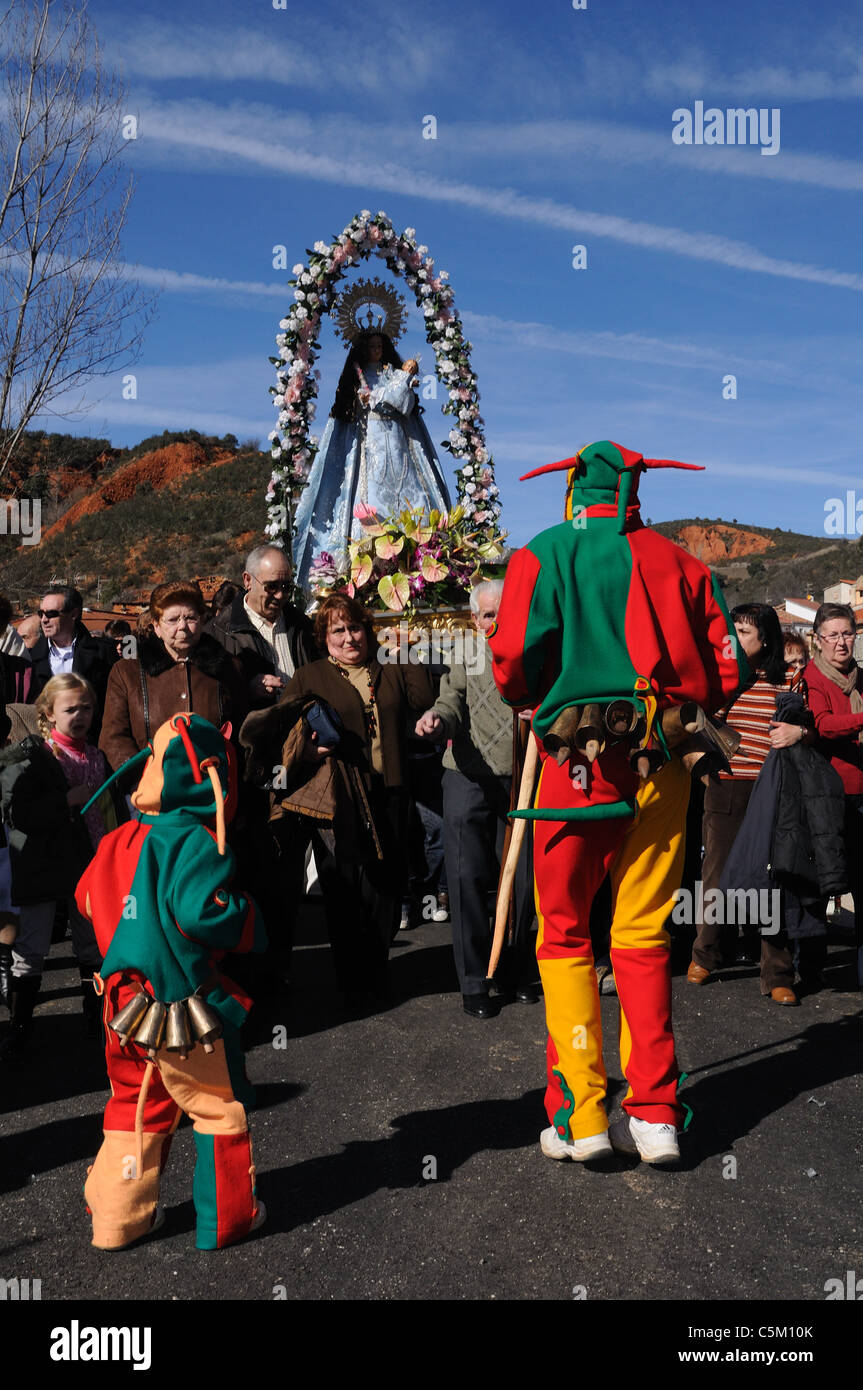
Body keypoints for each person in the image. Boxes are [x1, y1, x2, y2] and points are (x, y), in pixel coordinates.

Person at [489, 440, 746, 1167]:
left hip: (573, 766)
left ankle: (582, 1116)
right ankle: (655, 1114)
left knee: (565, 937)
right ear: (635, 491)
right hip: (659, 762)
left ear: (572, 488)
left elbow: (510, 656)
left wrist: (532, 698)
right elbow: (729, 658)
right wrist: (689, 703)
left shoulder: (541, 553)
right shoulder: (680, 562)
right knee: (640, 935)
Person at [77, 714, 267, 1250]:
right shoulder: (195, 841)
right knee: (216, 1108)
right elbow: (200, 915)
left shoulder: (117, 838)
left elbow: (87, 901)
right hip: (179, 1006)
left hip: (118, 1004)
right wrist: (247, 914)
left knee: (134, 1107)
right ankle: (227, 1219)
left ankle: (118, 1222)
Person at [240, 593, 432, 1010]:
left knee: (385, 884)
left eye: (355, 628)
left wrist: (405, 652)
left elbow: (421, 699)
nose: (349, 638)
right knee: (344, 885)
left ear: (368, 629)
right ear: (324, 637)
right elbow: (284, 733)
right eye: (338, 631)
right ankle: (350, 978)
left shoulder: (388, 668)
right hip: (338, 794)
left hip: (390, 789)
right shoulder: (310, 676)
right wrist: (305, 753)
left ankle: (375, 969)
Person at [415, 579, 538, 1018]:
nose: (496, 621)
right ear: (475, 619)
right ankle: (474, 981)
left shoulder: (537, 650)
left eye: (504, 613)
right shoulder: (464, 654)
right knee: (466, 877)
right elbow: (450, 701)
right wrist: (436, 720)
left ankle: (517, 969)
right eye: (488, 615)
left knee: (524, 879)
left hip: (523, 777)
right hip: (468, 776)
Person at [687, 604, 818, 1004]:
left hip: (775, 788)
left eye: (745, 632)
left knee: (773, 877)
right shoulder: (725, 675)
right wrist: (705, 769)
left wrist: (799, 731)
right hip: (727, 784)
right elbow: (698, 722)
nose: (738, 639)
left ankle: (777, 973)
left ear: (766, 636)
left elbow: (806, 727)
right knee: (717, 873)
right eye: (735, 630)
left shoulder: (792, 677)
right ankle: (705, 955)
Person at [207, 546, 318, 988]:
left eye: (285, 586)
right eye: (271, 586)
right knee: (251, 869)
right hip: (251, 769)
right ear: (247, 580)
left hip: (300, 761)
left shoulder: (302, 628)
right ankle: (247, 974)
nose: (278, 595)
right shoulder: (219, 633)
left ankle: (280, 969)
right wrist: (247, 686)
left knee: (289, 870)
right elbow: (215, 699)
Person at [0, 675, 112, 1060]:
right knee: (31, 948)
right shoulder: (34, 757)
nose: (79, 716)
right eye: (70, 709)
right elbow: (19, 814)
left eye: (86, 708)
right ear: (48, 714)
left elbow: (107, 812)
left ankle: (95, 1018)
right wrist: (65, 800)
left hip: (88, 864)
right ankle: (18, 1030)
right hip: (44, 865)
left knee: (91, 945)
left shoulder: (96, 756)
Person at [292, 330, 453, 592]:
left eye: (380, 345)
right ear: (362, 349)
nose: (376, 350)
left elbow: (403, 403)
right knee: (371, 499)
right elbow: (382, 400)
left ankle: (418, 562)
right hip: (372, 449)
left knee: (412, 500)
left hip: (400, 446)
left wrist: (401, 380)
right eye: (371, 346)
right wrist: (402, 379)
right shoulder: (359, 378)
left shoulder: (392, 372)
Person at [99, 581, 247, 774]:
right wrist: (138, 783)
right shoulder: (126, 673)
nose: (183, 627)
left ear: (202, 620)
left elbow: (242, 732)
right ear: (156, 626)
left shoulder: (229, 668)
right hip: (151, 793)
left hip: (214, 791)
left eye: (190, 618)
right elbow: (113, 738)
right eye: (172, 620)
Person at [804, 602, 863, 987]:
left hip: (862, 792)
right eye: (833, 635)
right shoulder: (812, 678)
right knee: (817, 884)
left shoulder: (862, 678)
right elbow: (823, 726)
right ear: (819, 641)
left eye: (847, 634)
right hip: (824, 798)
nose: (841, 643)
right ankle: (808, 970)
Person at [27, 587, 117, 736]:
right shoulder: (30, 658)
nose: (44, 620)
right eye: (41, 613)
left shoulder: (104, 653)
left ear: (74, 614)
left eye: (51, 614)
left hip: (93, 744)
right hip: (46, 747)